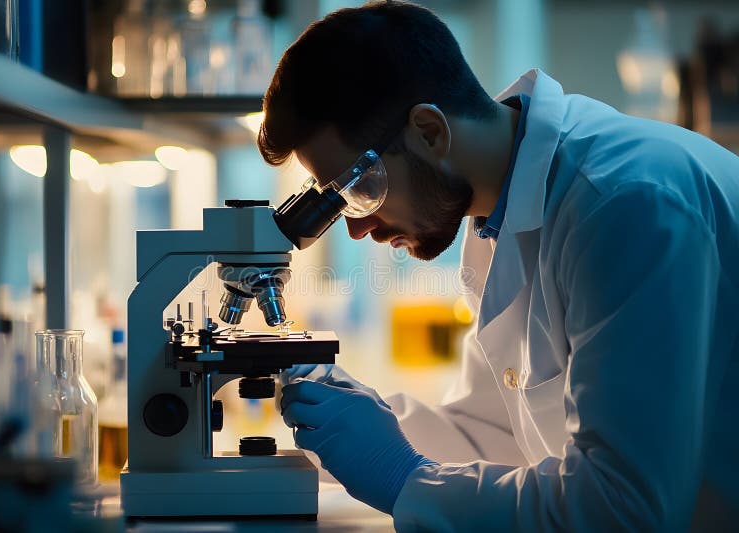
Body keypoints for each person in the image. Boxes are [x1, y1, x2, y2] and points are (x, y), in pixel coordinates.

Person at [258, 2, 739, 531]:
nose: (354, 226)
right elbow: (498, 435)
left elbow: (624, 509)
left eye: (359, 188)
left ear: (430, 132)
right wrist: (359, 423)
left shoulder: (625, 201)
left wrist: (401, 477)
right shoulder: (496, 217)